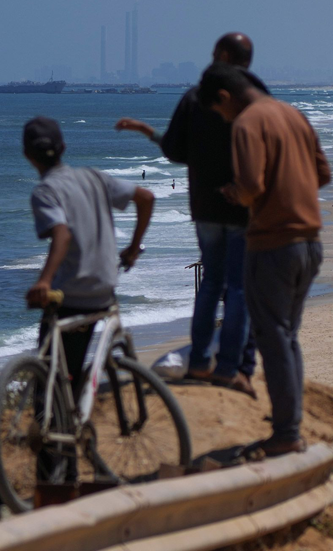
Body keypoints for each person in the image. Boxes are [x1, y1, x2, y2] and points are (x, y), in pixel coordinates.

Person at [113, 34, 261, 397]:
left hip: (207, 208)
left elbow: (176, 151)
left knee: (212, 282)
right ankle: (228, 366)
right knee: (239, 287)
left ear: (224, 55)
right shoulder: (254, 95)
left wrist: (150, 133)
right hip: (244, 205)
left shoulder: (196, 97)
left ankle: (198, 360)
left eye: (214, 53)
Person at [201, 63, 330, 457]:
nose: (223, 119)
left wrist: (233, 193)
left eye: (218, 112)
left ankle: (287, 433)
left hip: (273, 244)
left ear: (224, 99)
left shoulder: (245, 124)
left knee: (273, 338)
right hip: (310, 240)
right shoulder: (294, 115)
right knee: (287, 336)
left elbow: (252, 186)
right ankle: (288, 425)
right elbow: (322, 174)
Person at [23, 116, 154, 398]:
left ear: (27, 155)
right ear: (63, 147)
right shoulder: (93, 177)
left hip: (72, 297)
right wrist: (133, 248)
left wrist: (44, 281)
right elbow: (146, 198)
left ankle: (52, 427)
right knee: (73, 365)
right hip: (105, 290)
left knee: (51, 382)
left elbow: (61, 233)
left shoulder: (45, 191)